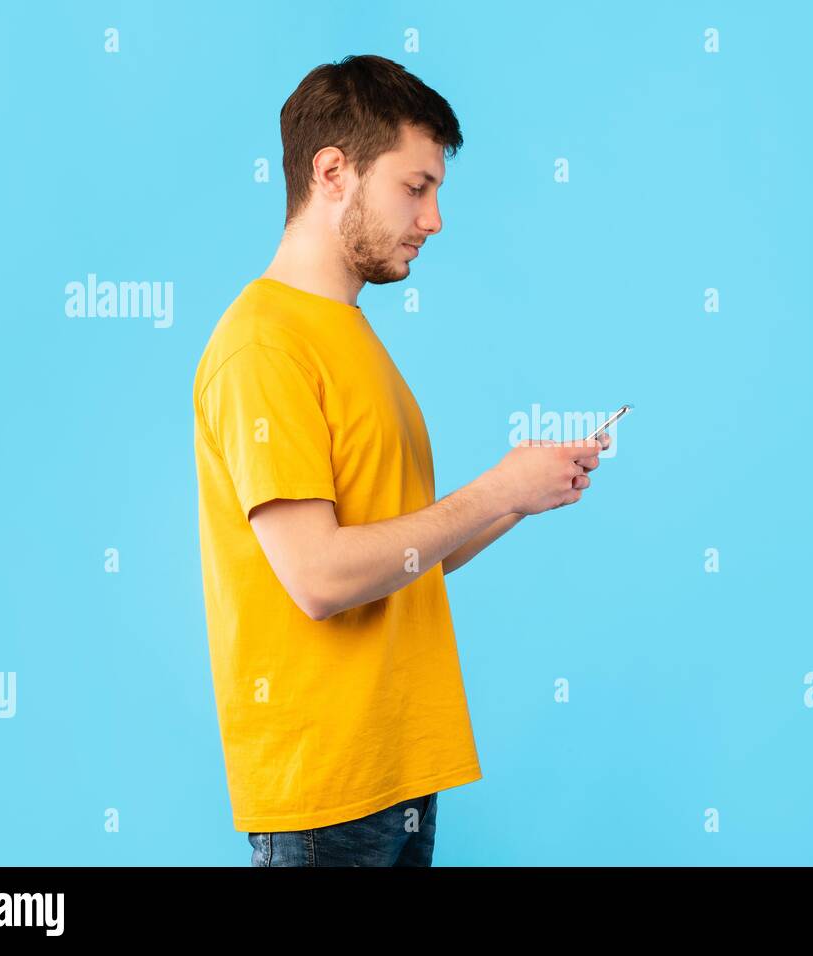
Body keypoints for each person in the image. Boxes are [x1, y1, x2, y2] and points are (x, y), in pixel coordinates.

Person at [191, 54, 607, 866]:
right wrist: (493, 489)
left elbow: (403, 556)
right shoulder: (263, 344)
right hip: (328, 791)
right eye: (416, 188)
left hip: (394, 773)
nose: (435, 218)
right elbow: (320, 578)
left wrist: (518, 496)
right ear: (334, 172)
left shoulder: (348, 335)